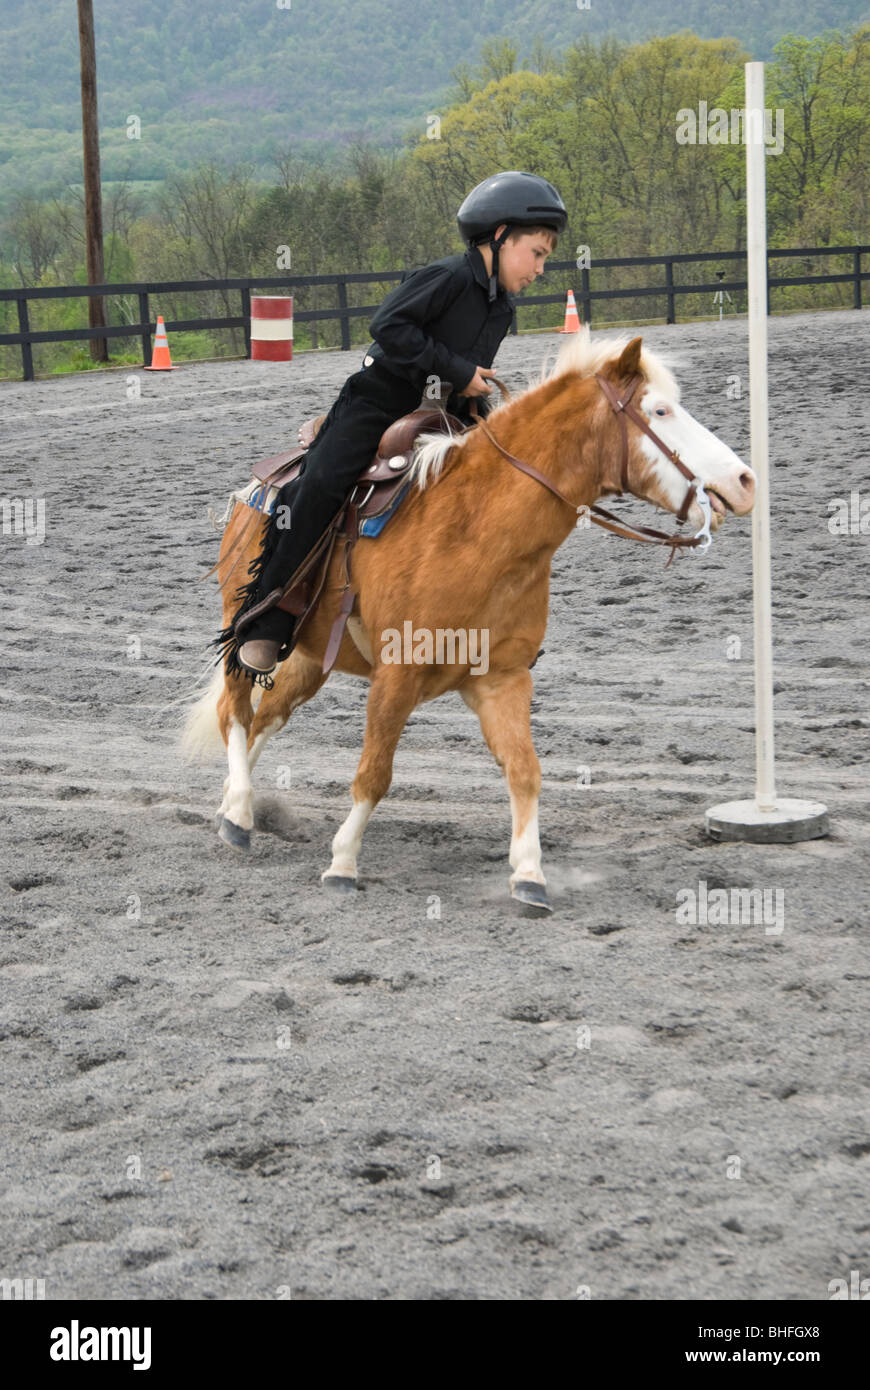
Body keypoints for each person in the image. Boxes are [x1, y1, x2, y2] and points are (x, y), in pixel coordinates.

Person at [213, 171, 567, 685]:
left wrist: (471, 391)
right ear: (499, 236)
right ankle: (266, 620)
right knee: (319, 487)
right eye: (536, 252)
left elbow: (462, 371)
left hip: (446, 411)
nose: (541, 267)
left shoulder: (501, 306)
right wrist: (458, 370)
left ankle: (496, 624)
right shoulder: (446, 278)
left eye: (546, 257)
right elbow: (388, 327)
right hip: (378, 401)